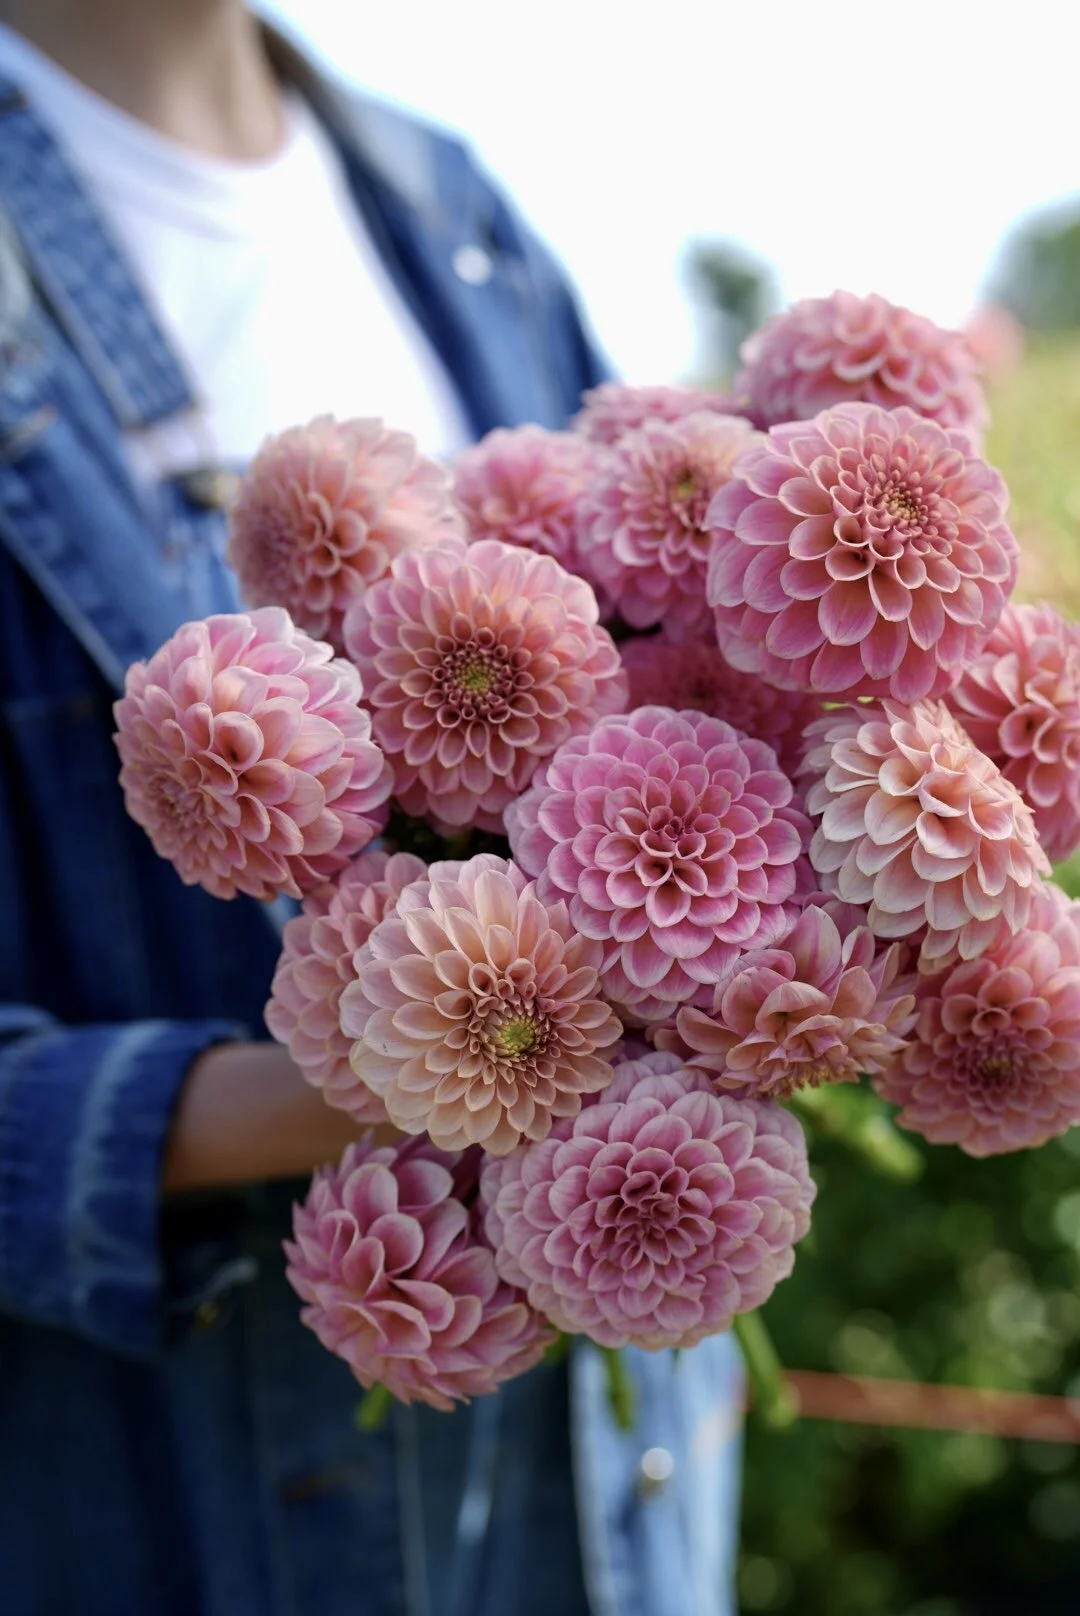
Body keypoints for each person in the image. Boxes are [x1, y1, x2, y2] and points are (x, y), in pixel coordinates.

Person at [0, 4, 744, 1613]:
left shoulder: (443, 201)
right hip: (192, 1504)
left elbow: (687, 659)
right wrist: (343, 1081)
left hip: (618, 1511)